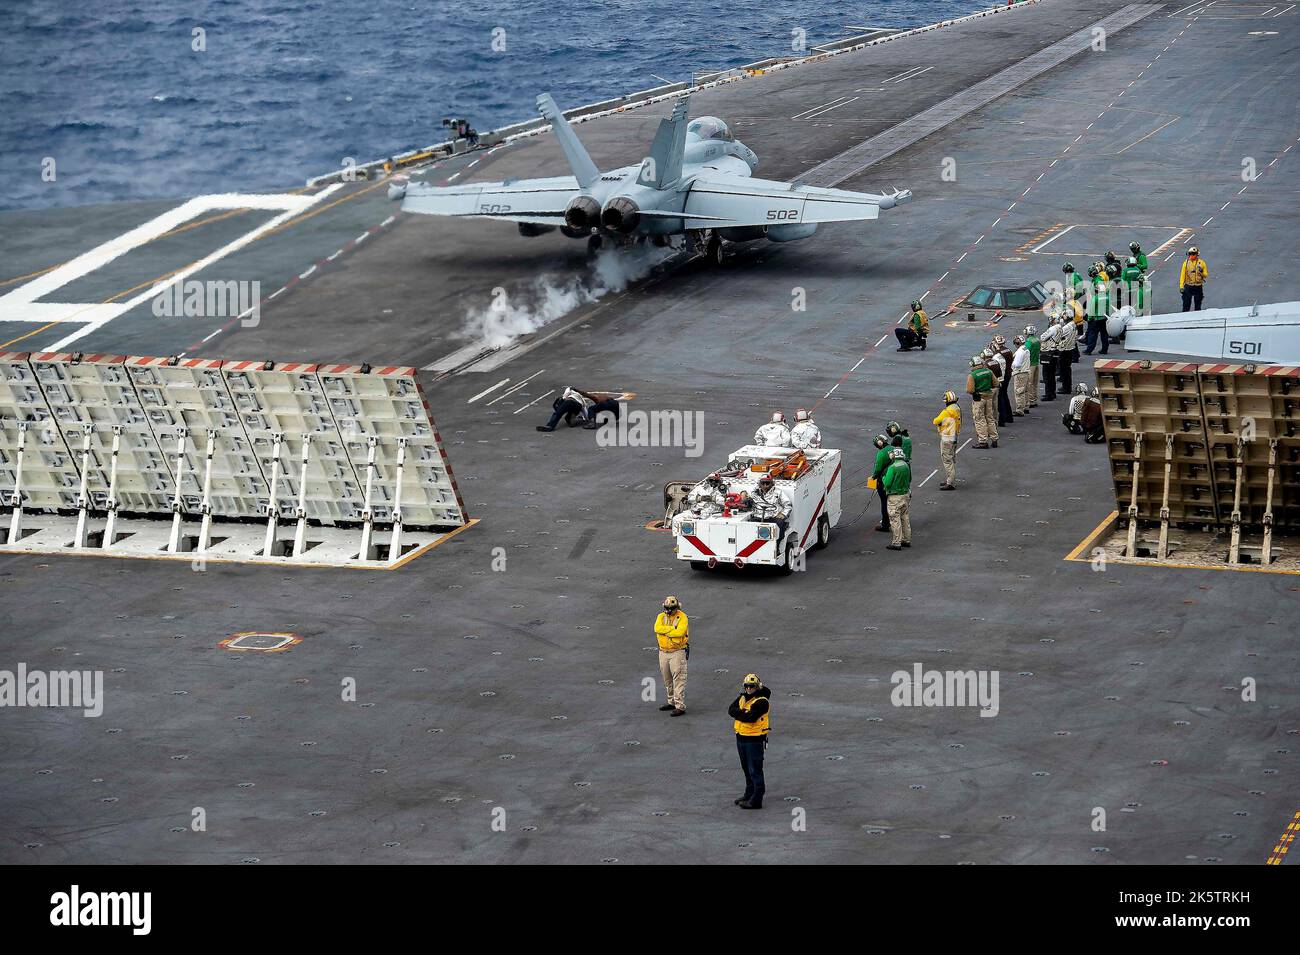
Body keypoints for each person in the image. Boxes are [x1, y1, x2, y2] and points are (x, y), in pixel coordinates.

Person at [728, 673, 770, 809]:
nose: (749, 688)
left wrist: (740, 714)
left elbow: (751, 718)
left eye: (752, 686)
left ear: (757, 687)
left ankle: (757, 799)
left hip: (754, 739)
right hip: (741, 737)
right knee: (746, 768)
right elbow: (730, 710)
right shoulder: (743, 697)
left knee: (755, 769)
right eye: (746, 686)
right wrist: (743, 714)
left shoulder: (762, 701)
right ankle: (749, 793)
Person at [654, 596, 689, 716]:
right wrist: (672, 629)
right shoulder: (660, 616)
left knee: (678, 679)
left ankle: (680, 706)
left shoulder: (682, 617)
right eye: (667, 608)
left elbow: (680, 632)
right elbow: (657, 628)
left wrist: (665, 631)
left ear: (676, 607)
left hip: (677, 651)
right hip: (663, 651)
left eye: (671, 608)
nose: (669, 611)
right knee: (667, 678)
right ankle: (671, 701)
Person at [882, 448, 912, 550]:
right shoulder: (906, 465)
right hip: (905, 495)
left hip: (895, 497)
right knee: (905, 518)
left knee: (895, 519)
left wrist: (883, 478)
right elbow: (910, 479)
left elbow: (887, 483)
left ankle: (896, 542)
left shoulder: (892, 467)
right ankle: (906, 539)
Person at [966, 356, 997, 449]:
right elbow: (996, 383)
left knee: (979, 419)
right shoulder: (989, 371)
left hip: (979, 399)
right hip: (989, 397)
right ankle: (994, 438)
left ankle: (983, 441)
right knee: (990, 418)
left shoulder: (972, 375)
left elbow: (970, 389)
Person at [933, 390, 961, 490]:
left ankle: (950, 483)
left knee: (947, 460)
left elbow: (935, 421)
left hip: (947, 439)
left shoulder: (947, 411)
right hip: (954, 437)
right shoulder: (957, 408)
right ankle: (950, 479)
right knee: (951, 459)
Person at [749, 474, 792, 540]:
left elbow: (788, 504)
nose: (765, 485)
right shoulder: (755, 492)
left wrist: (783, 514)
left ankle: (777, 544)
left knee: (779, 527)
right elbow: (750, 503)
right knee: (748, 527)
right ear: (759, 484)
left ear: (772, 483)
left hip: (773, 517)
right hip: (758, 517)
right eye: (763, 483)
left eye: (767, 483)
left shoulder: (778, 492)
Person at [1084, 265, 1111, 355]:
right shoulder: (1106, 296)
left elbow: (1092, 310)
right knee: (1104, 333)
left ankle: (1089, 350)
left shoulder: (1095, 298)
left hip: (1096, 318)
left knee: (1093, 333)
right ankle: (1105, 349)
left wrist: (1089, 318)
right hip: (1104, 317)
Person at [991, 336, 1016, 427]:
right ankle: (1009, 416)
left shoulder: (997, 354)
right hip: (1008, 375)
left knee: (1000, 398)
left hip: (1002, 377)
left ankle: (1002, 418)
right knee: (1004, 395)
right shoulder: (1008, 350)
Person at [870, 434, 893, 531]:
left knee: (884, 502)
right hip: (893, 478)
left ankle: (885, 524)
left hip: (884, 479)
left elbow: (878, 469)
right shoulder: (892, 448)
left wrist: (873, 477)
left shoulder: (881, 453)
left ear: (879, 443)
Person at [1056, 309, 1077, 395]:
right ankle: (1067, 386)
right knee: (1067, 369)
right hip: (1070, 348)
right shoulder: (1073, 325)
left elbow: (1058, 335)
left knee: (1064, 370)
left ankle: (1066, 387)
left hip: (1064, 350)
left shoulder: (1066, 327)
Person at [1180, 246, 1208, 311]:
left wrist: (1201, 272)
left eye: (1193, 254)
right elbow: (1182, 276)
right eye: (1190, 254)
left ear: (1197, 254)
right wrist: (1181, 286)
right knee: (1186, 305)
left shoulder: (1202, 263)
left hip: (1198, 286)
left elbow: (1205, 275)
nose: (1191, 255)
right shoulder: (1185, 263)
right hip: (1188, 286)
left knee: (1198, 306)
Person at [1039, 317, 1059, 402]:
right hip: (1055, 351)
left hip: (1049, 352)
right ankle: (1052, 393)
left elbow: (1042, 337)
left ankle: (1049, 394)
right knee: (1051, 374)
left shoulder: (1052, 328)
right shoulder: (1059, 327)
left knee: (1047, 375)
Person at [1011, 335, 1031, 415]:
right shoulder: (1025, 349)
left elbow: (1017, 364)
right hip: (1025, 372)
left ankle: (1020, 409)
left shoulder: (1019, 352)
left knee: (1019, 392)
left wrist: (1011, 366)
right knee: (1025, 390)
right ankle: (1026, 406)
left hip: (1020, 373)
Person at [1024, 323, 1041, 408]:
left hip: (1030, 364)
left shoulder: (1028, 342)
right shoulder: (1037, 340)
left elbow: (1025, 352)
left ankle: (1030, 400)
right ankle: (1034, 399)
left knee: (1029, 383)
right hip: (1036, 363)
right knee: (1035, 383)